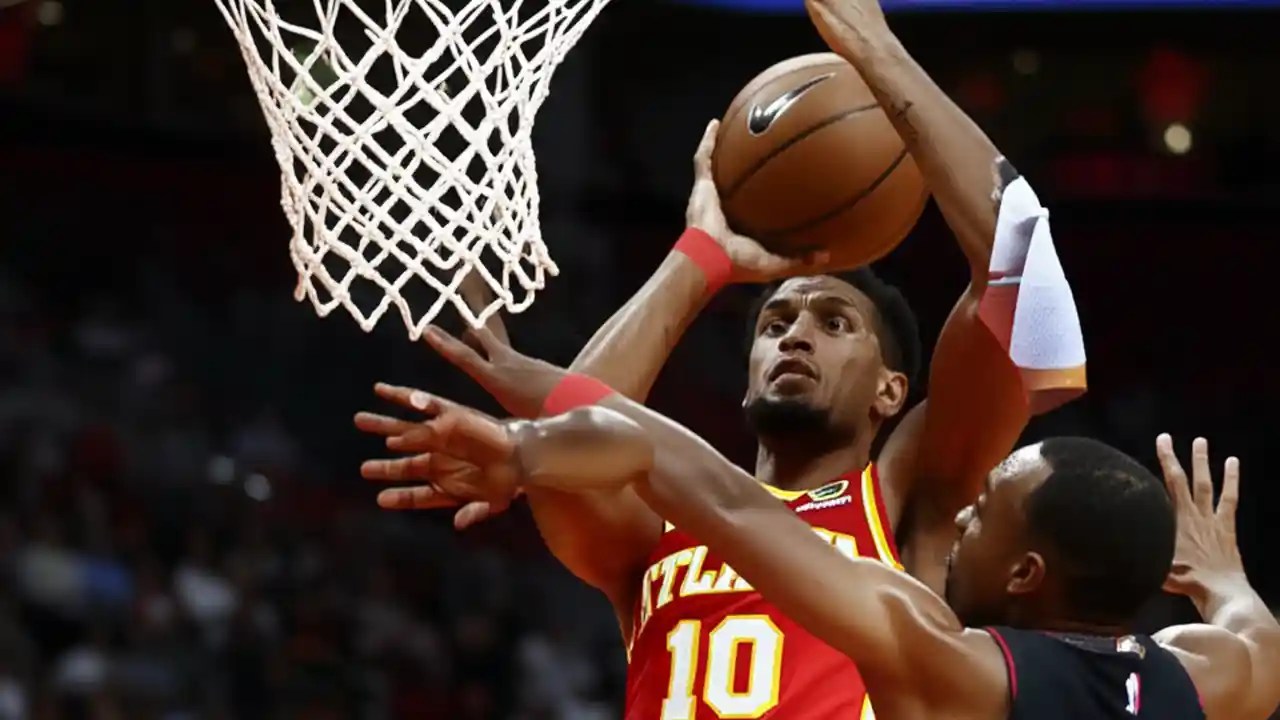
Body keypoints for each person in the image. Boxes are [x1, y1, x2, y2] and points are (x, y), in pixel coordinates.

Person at [357, 0, 1085, 715]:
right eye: (775, 321)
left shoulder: (909, 503)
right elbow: (570, 440)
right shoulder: (664, 519)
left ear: (891, 392)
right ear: (743, 380)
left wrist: (877, 50)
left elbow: (1029, 296)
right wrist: (700, 257)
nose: (794, 335)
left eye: (835, 322)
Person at [355, 380, 1280, 719]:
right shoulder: (1193, 678)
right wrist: (1225, 577)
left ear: (1026, 571)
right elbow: (1259, 643)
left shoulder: (947, 667)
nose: (962, 518)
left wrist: (523, 450)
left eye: (987, 508)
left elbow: (699, 480)